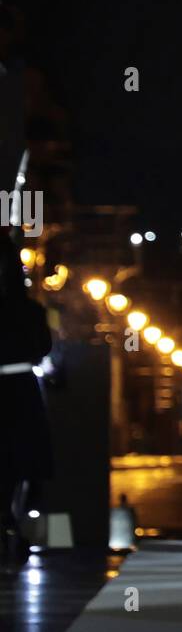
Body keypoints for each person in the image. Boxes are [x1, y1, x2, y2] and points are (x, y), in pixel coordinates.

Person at [0, 234, 53, 558]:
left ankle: (8, 519)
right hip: (20, 388)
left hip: (14, 386)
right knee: (24, 461)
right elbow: (43, 348)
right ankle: (11, 521)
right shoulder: (31, 310)